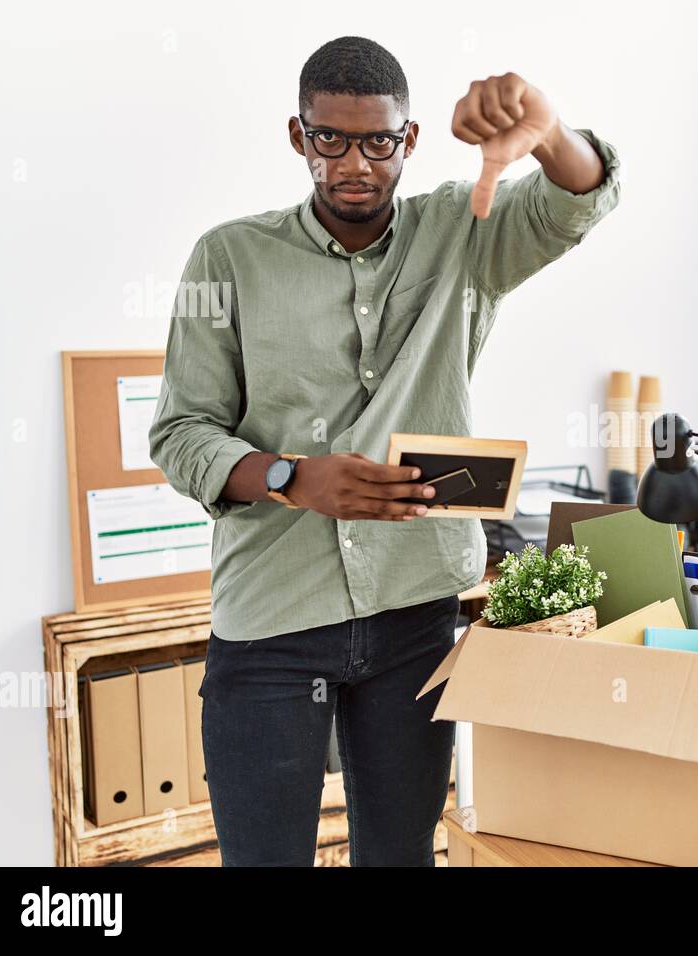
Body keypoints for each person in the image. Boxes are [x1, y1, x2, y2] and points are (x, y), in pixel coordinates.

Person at [148, 35, 621, 866]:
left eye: (376, 141)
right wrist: (294, 477)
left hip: (416, 612)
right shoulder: (228, 256)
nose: (353, 164)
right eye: (329, 140)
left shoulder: (463, 230)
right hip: (271, 625)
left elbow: (573, 200)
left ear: (408, 140)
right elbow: (181, 432)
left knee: (403, 857)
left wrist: (546, 129)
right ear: (299, 137)